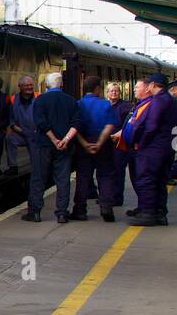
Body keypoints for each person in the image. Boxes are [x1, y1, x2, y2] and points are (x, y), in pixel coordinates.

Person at [115, 73, 177, 225]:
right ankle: (159, 212)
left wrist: (141, 143)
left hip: (153, 148)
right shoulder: (170, 100)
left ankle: (148, 213)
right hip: (166, 146)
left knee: (146, 180)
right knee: (159, 181)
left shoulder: (158, 101)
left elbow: (151, 126)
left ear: (153, 85)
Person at [22, 72, 76, 224]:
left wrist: (53, 139)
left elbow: (40, 122)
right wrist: (64, 140)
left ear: (46, 86)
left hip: (44, 145)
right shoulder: (71, 101)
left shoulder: (41, 100)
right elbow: (76, 122)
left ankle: (35, 212)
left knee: (39, 177)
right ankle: (62, 213)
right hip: (64, 147)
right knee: (63, 179)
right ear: (61, 85)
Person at [69, 76, 117, 222]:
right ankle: (106, 208)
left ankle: (80, 210)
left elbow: (74, 128)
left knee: (83, 178)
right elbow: (109, 126)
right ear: (97, 89)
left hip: (83, 148)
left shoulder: (78, 104)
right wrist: (99, 143)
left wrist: (85, 144)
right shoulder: (106, 105)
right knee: (105, 176)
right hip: (103, 147)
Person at [104, 81, 131, 208]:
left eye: (116, 91)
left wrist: (118, 134)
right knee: (106, 171)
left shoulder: (126, 106)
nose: (114, 92)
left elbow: (129, 123)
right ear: (107, 93)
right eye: (111, 91)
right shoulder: (104, 105)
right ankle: (107, 196)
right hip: (105, 143)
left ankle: (117, 197)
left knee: (118, 171)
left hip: (119, 143)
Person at [5, 75, 38, 175]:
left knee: (36, 159)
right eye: (26, 85)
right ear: (20, 86)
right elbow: (11, 121)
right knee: (10, 138)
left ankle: (36, 169)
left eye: (31, 85)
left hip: (35, 133)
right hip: (20, 133)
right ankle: (13, 166)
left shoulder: (39, 98)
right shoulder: (13, 99)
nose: (29, 87)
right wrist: (20, 130)